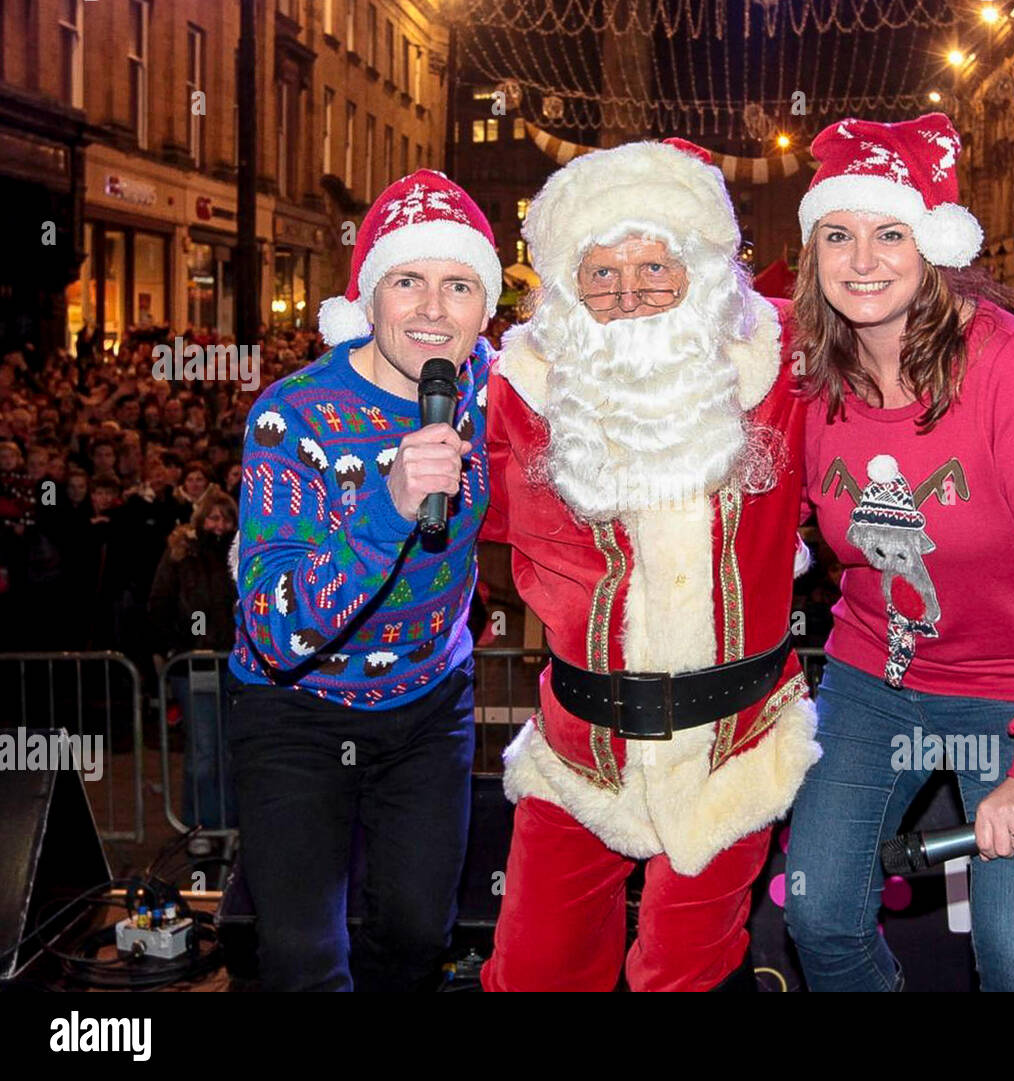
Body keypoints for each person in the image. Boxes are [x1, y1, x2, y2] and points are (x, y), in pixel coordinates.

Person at [783, 114, 1014, 991]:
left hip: (1011, 694)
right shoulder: (805, 372)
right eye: (839, 234)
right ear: (813, 251)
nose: (863, 258)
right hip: (870, 681)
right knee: (818, 912)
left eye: (890, 232)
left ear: (932, 244)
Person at [478, 138, 820, 992]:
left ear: (699, 269)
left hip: (734, 746)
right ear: (567, 286)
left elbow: (904, 330)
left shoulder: (785, 367)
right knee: (533, 972)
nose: (630, 296)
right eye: (601, 273)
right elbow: (463, 532)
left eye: (655, 269)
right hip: (578, 750)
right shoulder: (520, 388)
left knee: (685, 975)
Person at [227, 168, 501, 991]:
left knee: (419, 935)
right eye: (407, 281)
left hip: (429, 707)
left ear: (485, 310)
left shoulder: (497, 388)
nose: (431, 308)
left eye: (458, 286)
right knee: (306, 960)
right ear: (369, 299)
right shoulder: (293, 412)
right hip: (297, 715)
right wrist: (390, 504)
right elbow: (278, 628)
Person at [148, 484, 240, 836]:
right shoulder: (182, 554)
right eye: (213, 517)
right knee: (202, 752)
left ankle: (229, 825)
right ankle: (199, 827)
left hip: (234, 665)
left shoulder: (241, 554)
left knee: (231, 751)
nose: (219, 525)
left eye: (226, 518)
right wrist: (177, 646)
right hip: (194, 665)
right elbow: (159, 604)